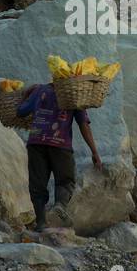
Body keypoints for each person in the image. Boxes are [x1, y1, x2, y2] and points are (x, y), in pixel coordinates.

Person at [17, 82, 102, 230]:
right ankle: (60, 205)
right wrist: (94, 152)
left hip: (36, 143)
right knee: (65, 181)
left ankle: (41, 223)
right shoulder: (75, 93)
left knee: (37, 185)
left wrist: (25, 96)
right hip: (60, 143)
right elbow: (84, 124)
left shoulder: (39, 90)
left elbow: (21, 112)